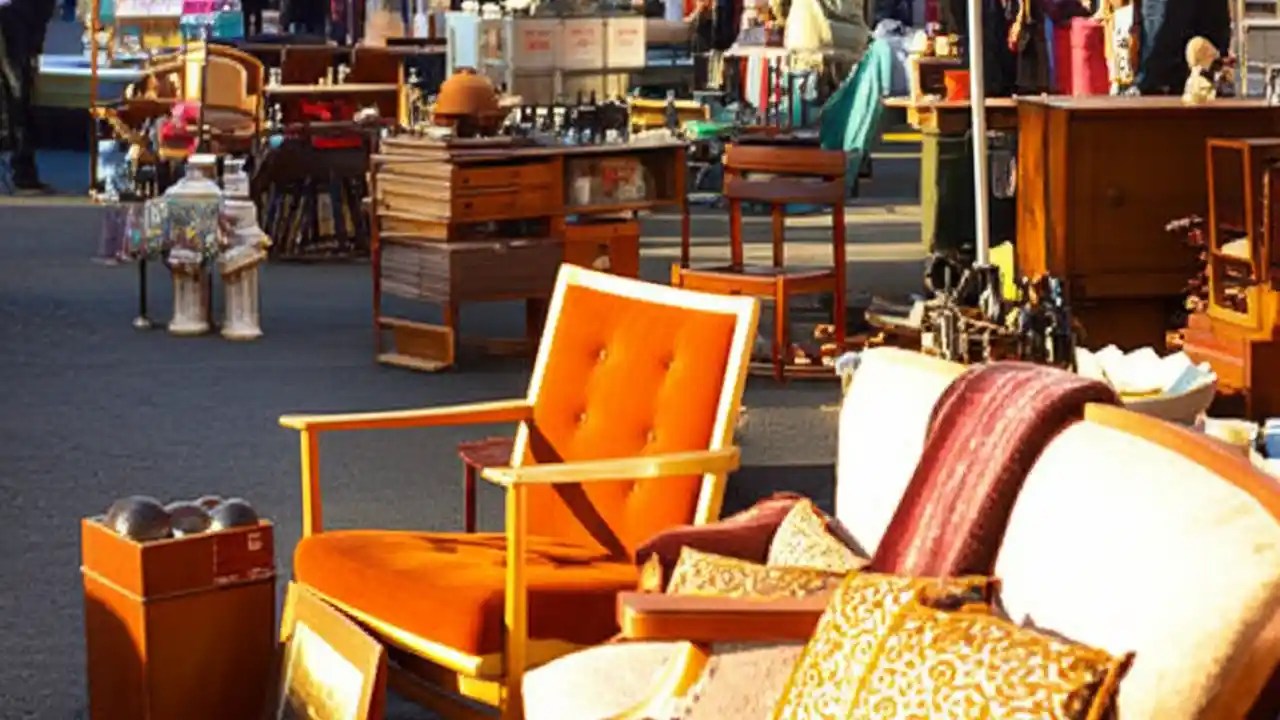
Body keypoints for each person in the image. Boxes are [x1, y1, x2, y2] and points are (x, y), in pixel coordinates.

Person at [0, 0, 56, 193]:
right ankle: (23, 172)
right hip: (15, 16)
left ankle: (23, 171)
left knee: (19, 95)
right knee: (18, 96)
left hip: (18, 16)